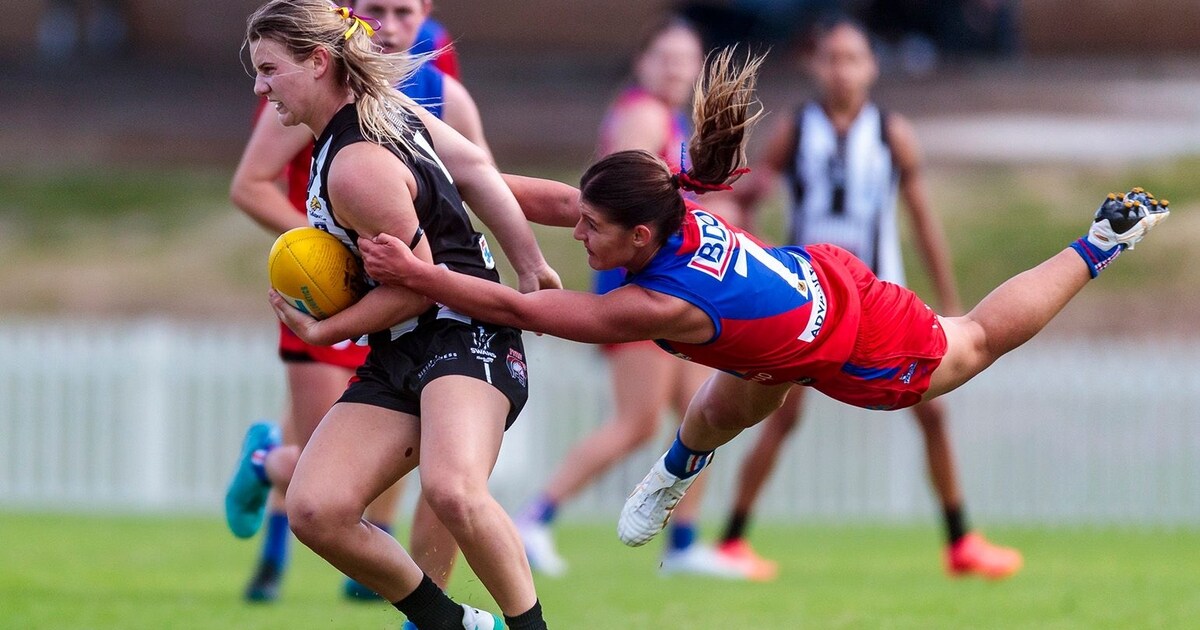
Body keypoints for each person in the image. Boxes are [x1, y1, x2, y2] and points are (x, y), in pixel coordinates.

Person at [355, 47, 1169, 567]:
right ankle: (679, 471)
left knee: (977, 341)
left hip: (854, 331)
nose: (583, 239)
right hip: (796, 292)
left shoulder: (657, 302)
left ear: (641, 236)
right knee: (734, 400)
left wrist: (421, 273)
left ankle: (1099, 242)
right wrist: (432, 172)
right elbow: (547, 199)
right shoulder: (655, 206)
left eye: (597, 233)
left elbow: (530, 311)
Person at [230, 1, 559, 628]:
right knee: (315, 508)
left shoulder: (356, 167)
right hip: (401, 350)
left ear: (318, 62)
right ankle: (452, 623)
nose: (259, 85)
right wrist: (530, 259)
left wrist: (328, 328)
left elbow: (416, 286)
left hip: (466, 337)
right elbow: (478, 172)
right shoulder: (383, 116)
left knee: (452, 490)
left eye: (269, 70)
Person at [707, 16, 1020, 581]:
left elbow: (923, 218)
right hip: (809, 305)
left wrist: (949, 297)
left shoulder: (892, 133)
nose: (842, 69)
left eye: (853, 58)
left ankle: (960, 541)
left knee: (933, 412)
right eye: (832, 58)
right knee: (778, 418)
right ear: (815, 64)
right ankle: (730, 541)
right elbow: (751, 196)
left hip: (882, 302)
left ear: (872, 67)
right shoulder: (797, 130)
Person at [512, 15, 749, 581]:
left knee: (709, 408)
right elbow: (628, 203)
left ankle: (686, 543)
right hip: (646, 281)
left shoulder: (667, 119)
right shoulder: (643, 114)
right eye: (663, 56)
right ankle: (534, 516)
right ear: (642, 63)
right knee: (641, 420)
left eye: (685, 58)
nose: (674, 68)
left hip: (678, 281)